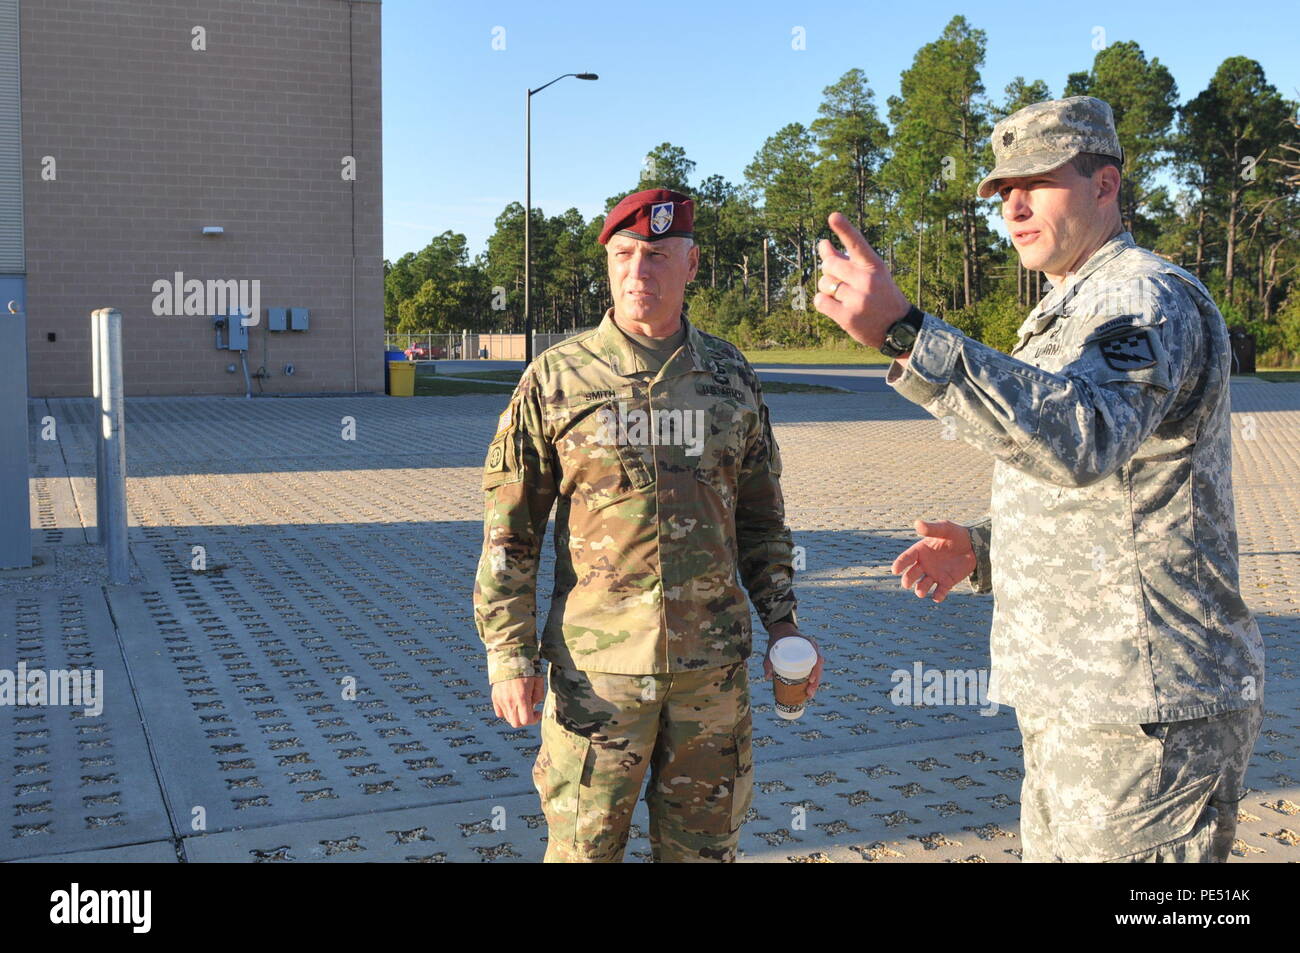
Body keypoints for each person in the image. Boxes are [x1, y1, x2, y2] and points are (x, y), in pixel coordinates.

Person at [811, 96, 1265, 862]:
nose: (1013, 206)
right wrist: (989, 550)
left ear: (1105, 185)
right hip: (1080, 699)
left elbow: (1085, 437)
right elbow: (1110, 496)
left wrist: (908, 335)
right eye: (1001, 192)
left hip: (1147, 711)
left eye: (1038, 183)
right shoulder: (1074, 306)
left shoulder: (1143, 299)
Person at [473, 188, 823, 862]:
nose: (640, 272)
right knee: (583, 849)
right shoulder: (557, 380)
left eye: (659, 256)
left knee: (704, 851)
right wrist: (509, 654)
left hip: (711, 678)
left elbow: (761, 518)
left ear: (691, 265)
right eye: (626, 255)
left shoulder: (729, 376)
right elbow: (510, 530)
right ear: (607, 264)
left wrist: (784, 622)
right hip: (597, 678)